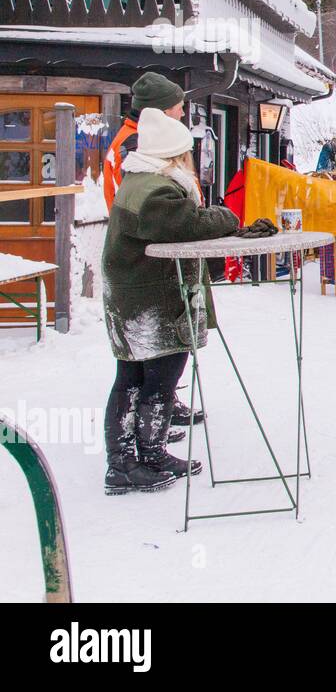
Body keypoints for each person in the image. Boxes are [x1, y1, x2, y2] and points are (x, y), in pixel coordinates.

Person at [101, 108, 240, 494]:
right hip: (150, 297)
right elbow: (189, 224)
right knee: (161, 375)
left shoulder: (139, 179)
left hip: (131, 292)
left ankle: (124, 461)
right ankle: (147, 456)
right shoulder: (157, 190)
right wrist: (227, 216)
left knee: (130, 378)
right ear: (174, 154)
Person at [103, 71, 186, 210]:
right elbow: (147, 203)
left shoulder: (141, 138)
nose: (182, 113)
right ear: (163, 113)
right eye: (179, 108)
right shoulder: (136, 144)